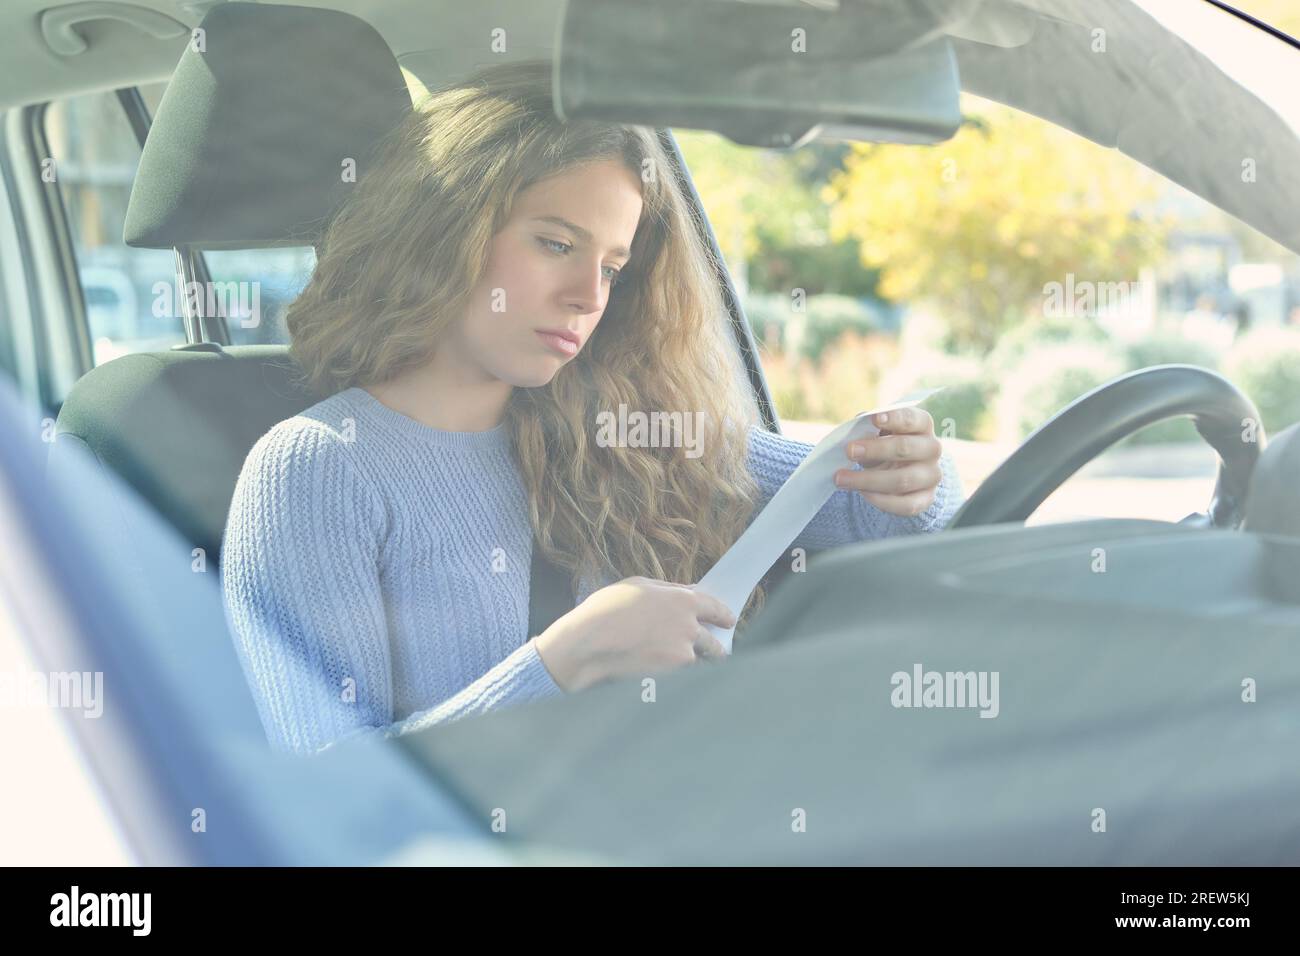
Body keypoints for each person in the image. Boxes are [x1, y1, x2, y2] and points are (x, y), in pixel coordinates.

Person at [220, 61, 963, 755]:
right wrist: (563, 663)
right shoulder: (316, 470)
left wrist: (915, 474)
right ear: (441, 231)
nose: (589, 296)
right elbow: (325, 795)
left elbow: (859, 504)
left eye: (612, 266)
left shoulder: (621, 425)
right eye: (554, 243)